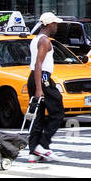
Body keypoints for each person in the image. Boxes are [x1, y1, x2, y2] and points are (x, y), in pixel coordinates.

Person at [27, 12, 66, 161]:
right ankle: (42, 145)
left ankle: (33, 152)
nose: (57, 26)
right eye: (55, 24)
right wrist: (39, 88)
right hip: (42, 77)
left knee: (38, 115)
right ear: (49, 24)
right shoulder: (45, 41)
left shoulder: (36, 39)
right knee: (57, 111)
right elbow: (39, 64)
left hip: (34, 77)